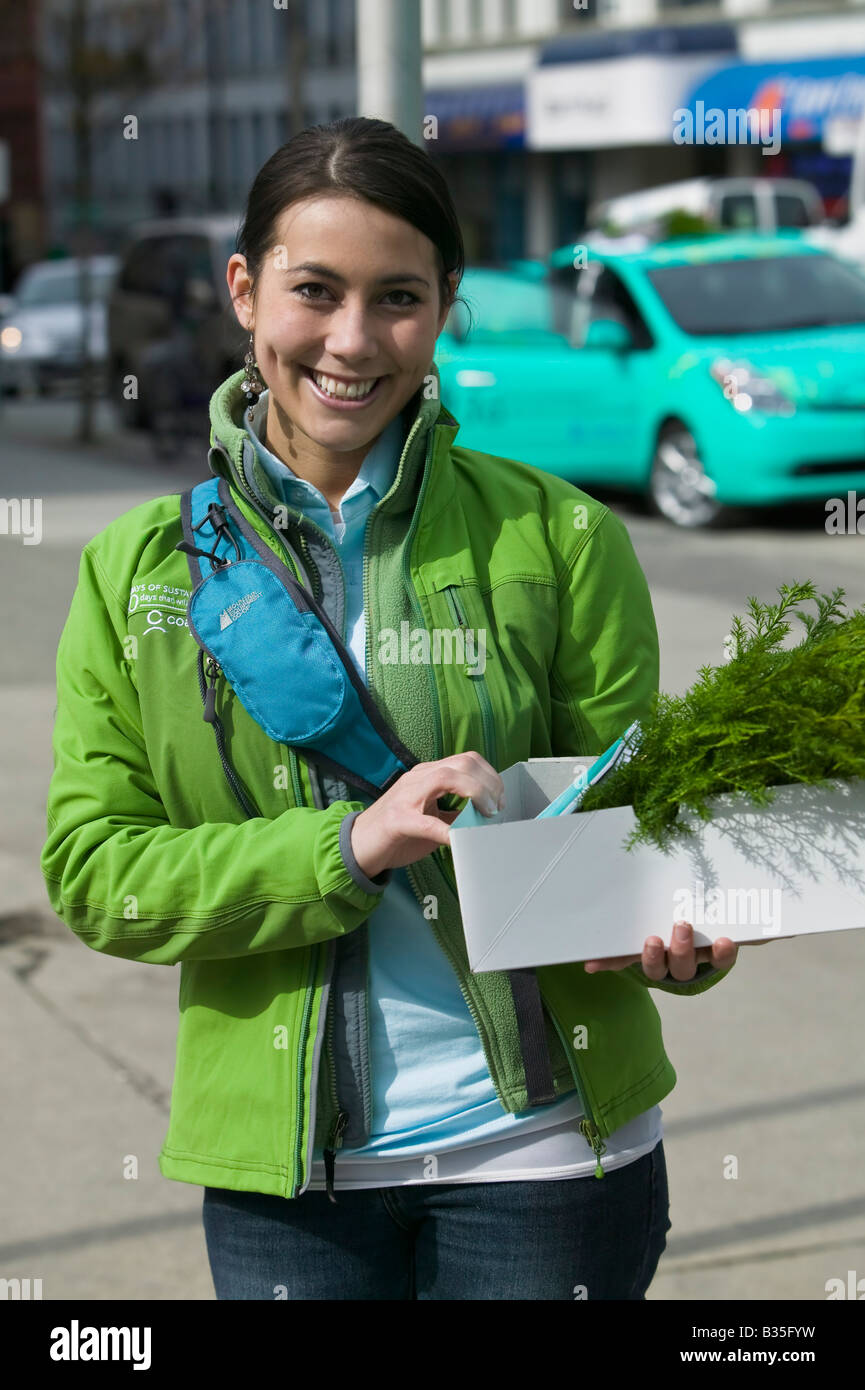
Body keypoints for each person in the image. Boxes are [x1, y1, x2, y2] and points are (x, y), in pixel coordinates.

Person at [41, 117, 742, 1302]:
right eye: (315, 291)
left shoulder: (559, 537)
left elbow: (636, 828)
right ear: (245, 293)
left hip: (549, 1157)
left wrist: (679, 941)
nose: (353, 341)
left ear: (446, 303)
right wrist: (347, 845)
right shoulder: (139, 570)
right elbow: (97, 871)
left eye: (399, 298)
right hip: (289, 1184)